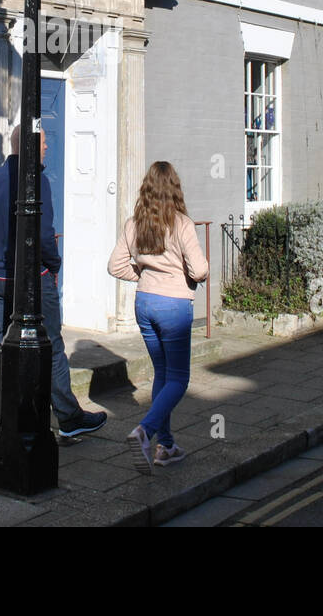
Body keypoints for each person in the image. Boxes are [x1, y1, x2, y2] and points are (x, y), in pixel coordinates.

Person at [0, 123, 106, 456]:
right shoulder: (36, 180)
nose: (46, 149)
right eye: (42, 145)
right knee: (53, 345)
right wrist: (52, 266)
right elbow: (44, 238)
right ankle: (70, 418)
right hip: (33, 280)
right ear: (27, 147)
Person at [107, 161, 208, 473]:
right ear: (174, 188)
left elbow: (115, 265)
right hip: (174, 305)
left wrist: (142, 274)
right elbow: (200, 269)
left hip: (144, 304)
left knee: (162, 374)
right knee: (179, 379)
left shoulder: (134, 224)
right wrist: (184, 275)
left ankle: (166, 446)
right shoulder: (181, 224)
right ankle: (145, 432)